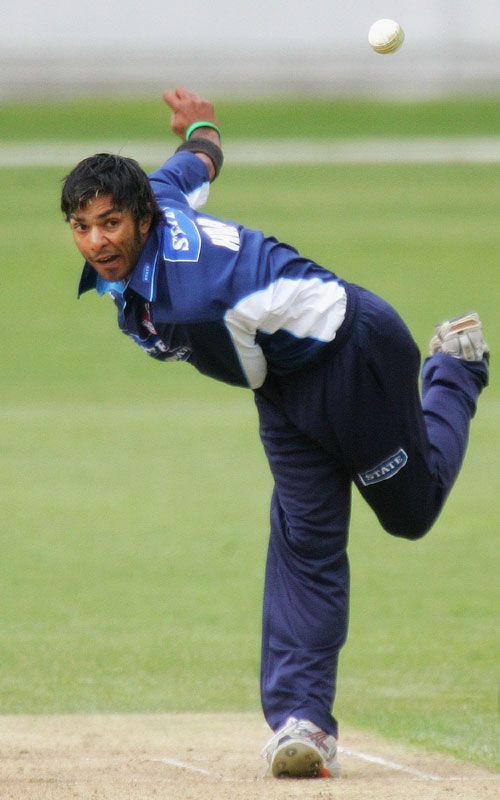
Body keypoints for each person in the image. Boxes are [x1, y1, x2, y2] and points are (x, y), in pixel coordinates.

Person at [61, 87, 489, 779]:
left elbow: (243, 359)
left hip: (352, 355)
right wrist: (200, 123)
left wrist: (317, 421)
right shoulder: (159, 196)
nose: (96, 241)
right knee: (305, 541)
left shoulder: (189, 301)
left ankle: (457, 371)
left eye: (110, 223)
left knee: (409, 513)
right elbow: (197, 160)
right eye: (82, 226)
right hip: (286, 385)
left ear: (141, 218)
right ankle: (305, 722)